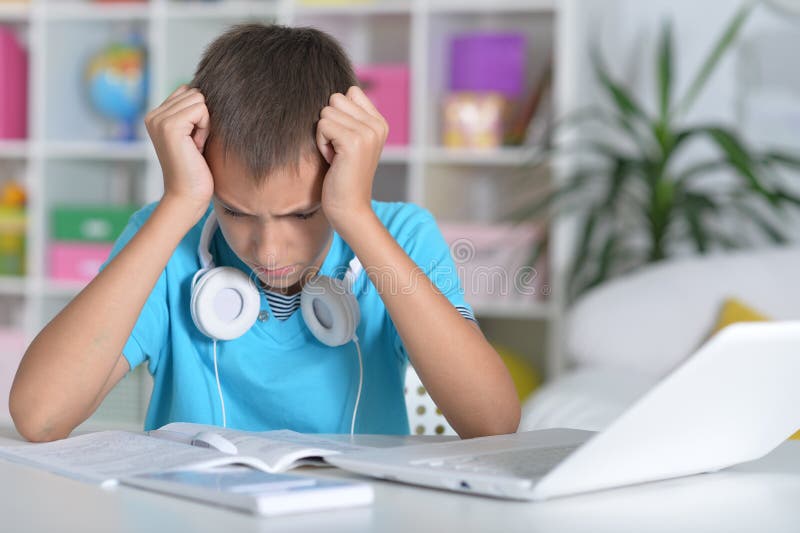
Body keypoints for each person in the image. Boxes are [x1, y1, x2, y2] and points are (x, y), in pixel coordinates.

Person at [10, 24, 520, 442]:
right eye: (234, 211)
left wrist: (356, 216)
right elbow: (40, 417)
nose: (269, 250)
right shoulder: (164, 237)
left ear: (344, 166)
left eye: (302, 215)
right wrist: (178, 204)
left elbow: (492, 423)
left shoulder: (401, 236)